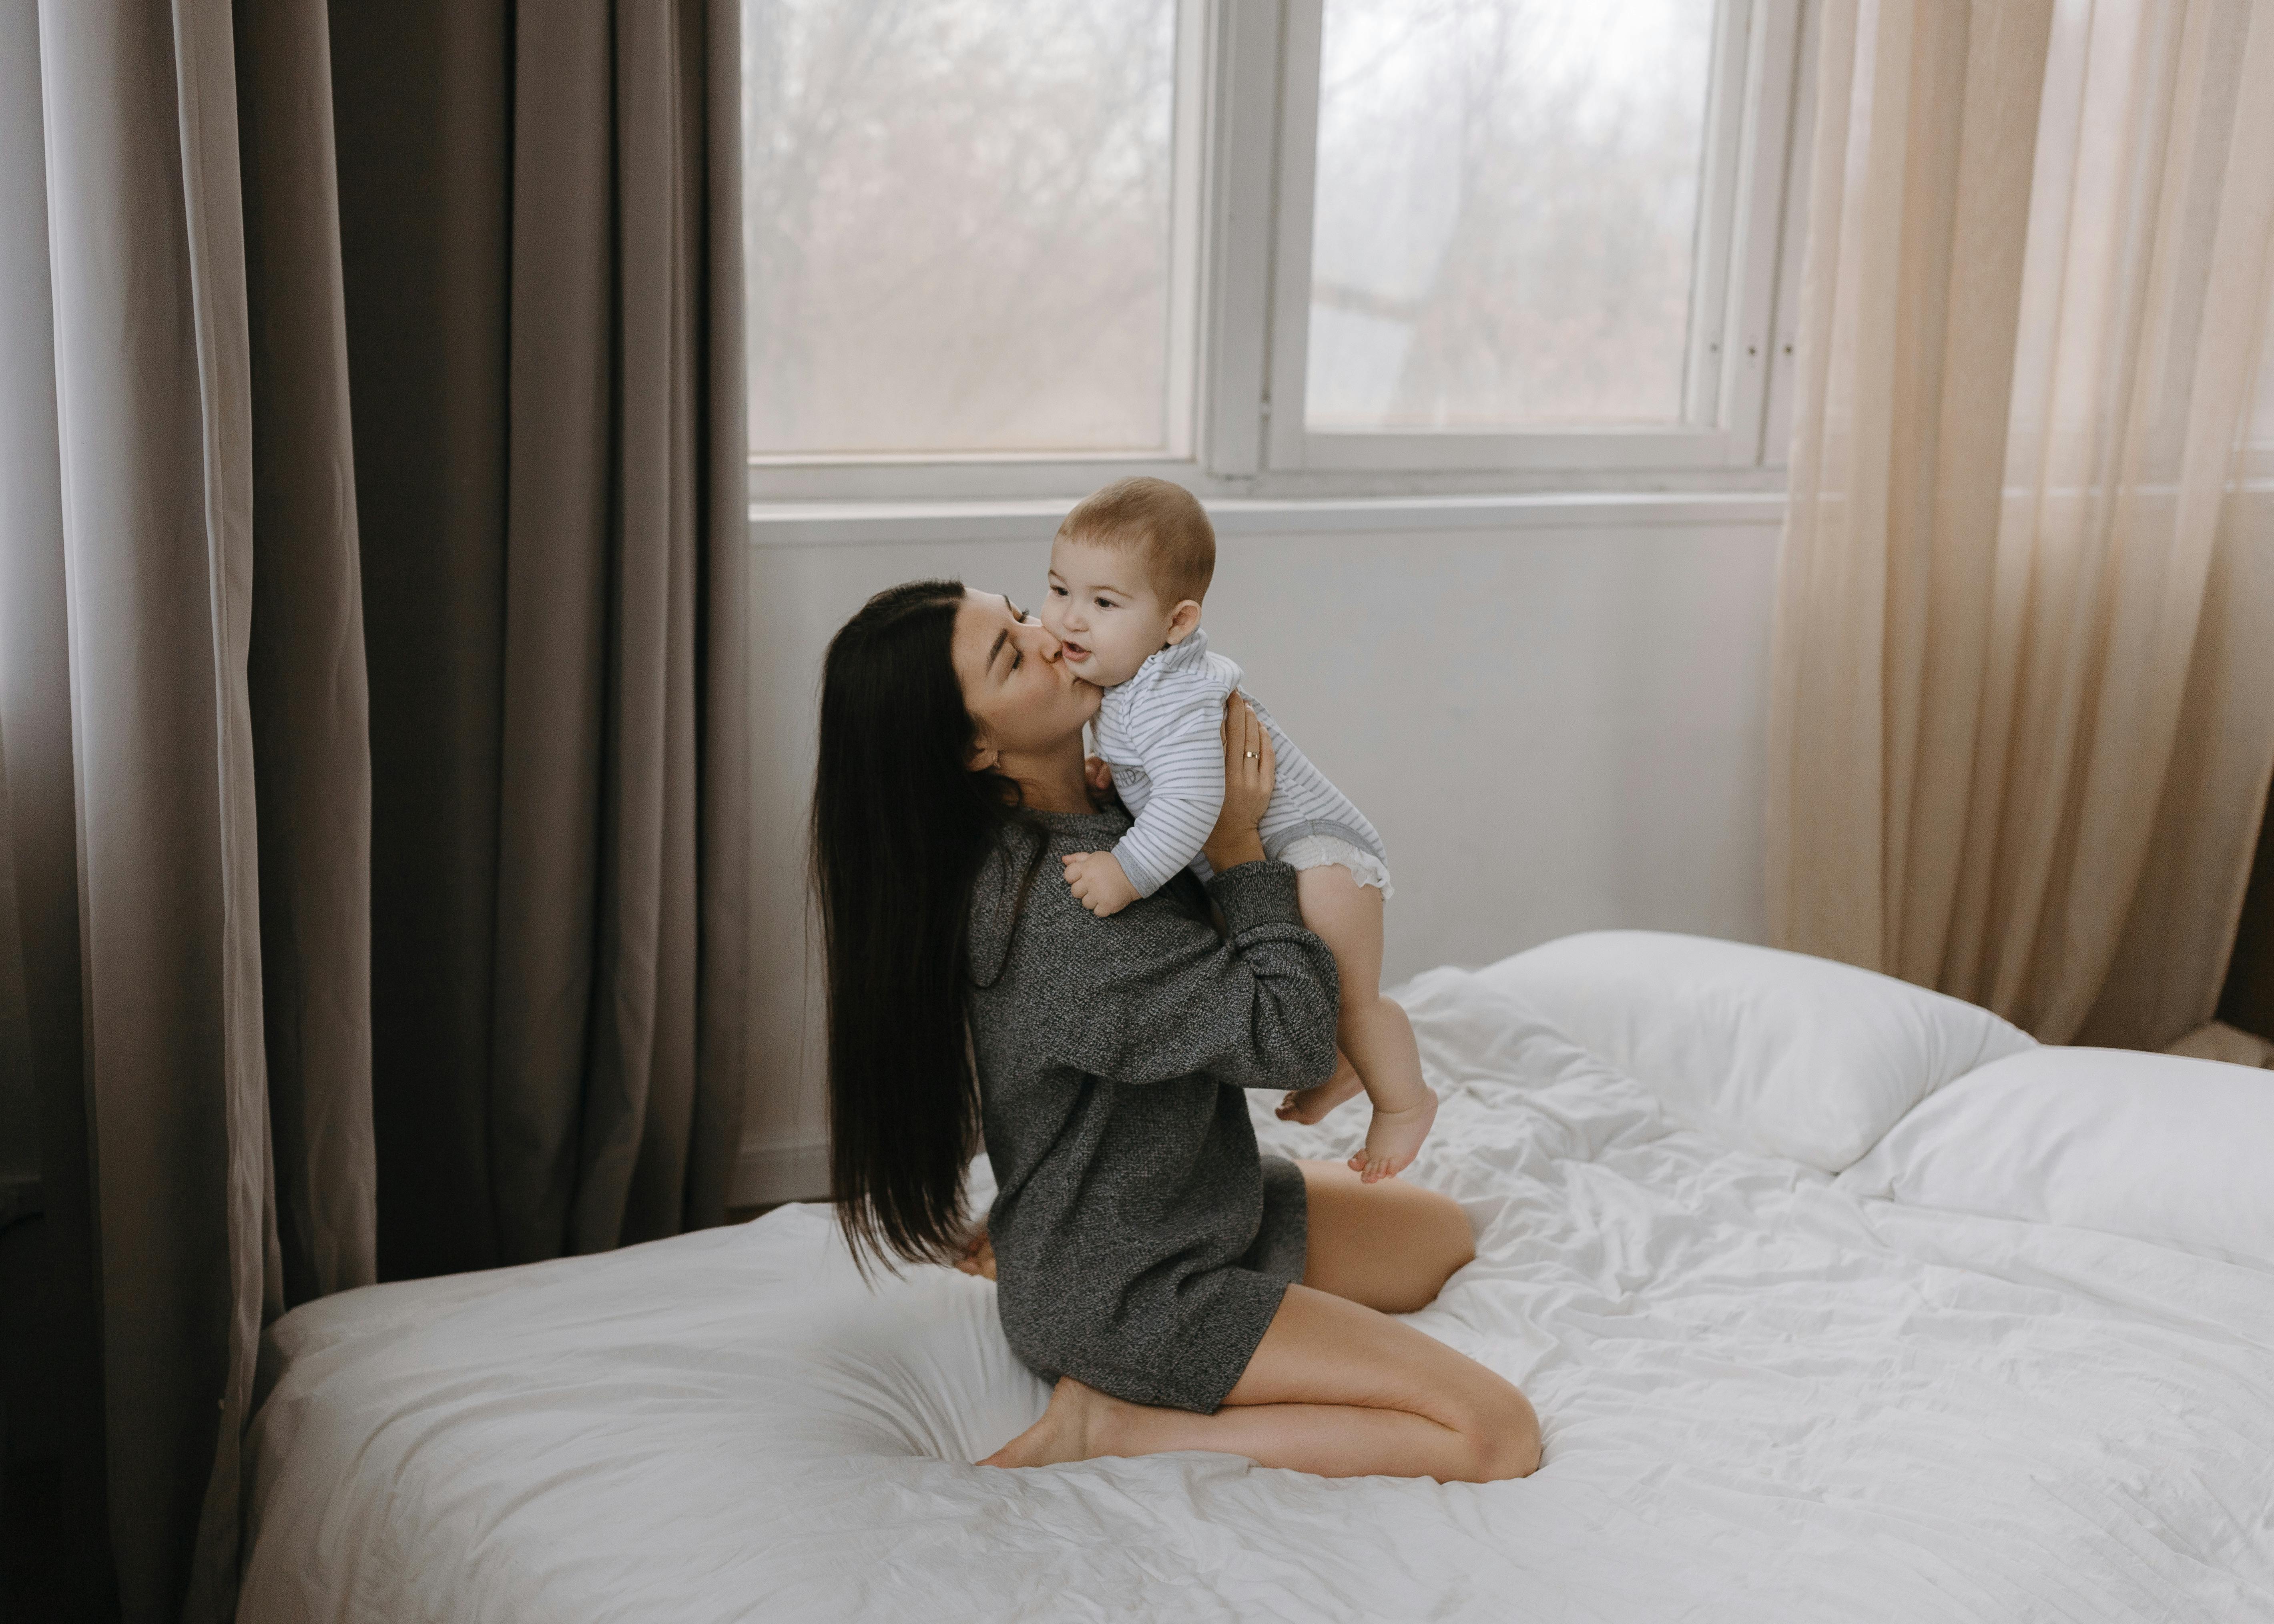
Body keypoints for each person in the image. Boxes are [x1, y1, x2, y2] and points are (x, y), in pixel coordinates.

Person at [810, 577, 1540, 1482]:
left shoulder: (1093, 806)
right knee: (1495, 1432)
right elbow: (1292, 1042)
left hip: (1199, 1205)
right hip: (1138, 1291)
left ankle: (1041, 1246)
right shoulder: (1062, 919)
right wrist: (1237, 851)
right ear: (975, 746)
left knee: (1442, 1237)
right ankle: (1116, 1424)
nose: (1052, 636)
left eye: (1020, 613)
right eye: (1012, 654)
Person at [1042, 477, 1436, 1185]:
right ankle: (1339, 1063)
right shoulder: (1126, 678)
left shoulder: (1175, 693)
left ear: (1177, 622)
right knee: (1310, 982)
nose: (1071, 619)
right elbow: (1157, 774)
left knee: (1352, 995)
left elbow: (1196, 799)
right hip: (1269, 857)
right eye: (1059, 590)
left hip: (1320, 853)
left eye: (1103, 603)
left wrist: (1126, 871)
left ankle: (1404, 1104)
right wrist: (1114, 776)